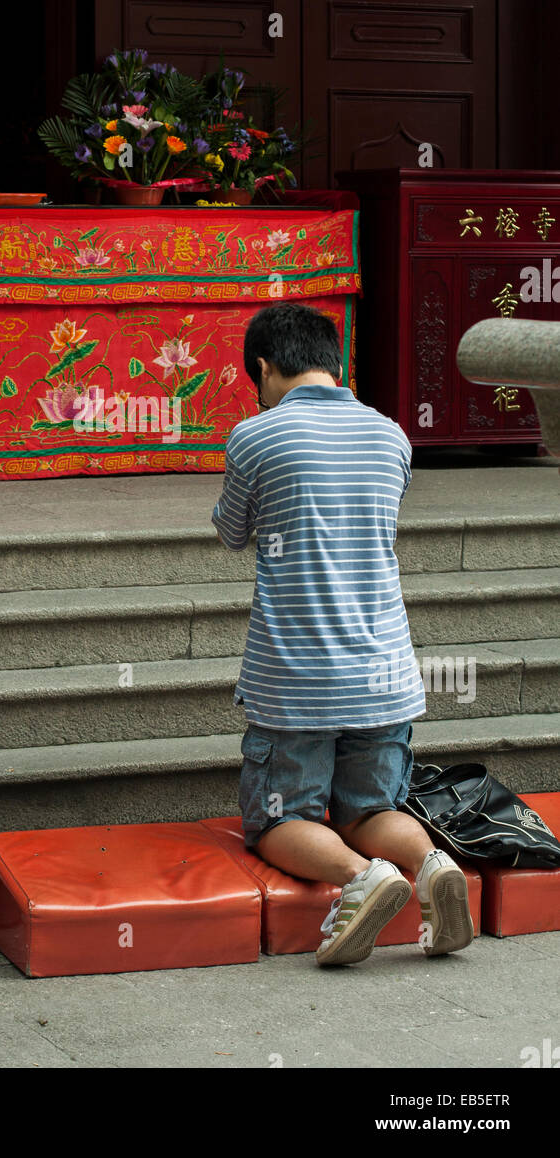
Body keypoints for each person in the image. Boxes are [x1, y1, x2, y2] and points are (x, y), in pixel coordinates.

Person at [212, 301, 474, 966]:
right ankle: (432, 865)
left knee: (279, 820)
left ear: (266, 368)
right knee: (367, 811)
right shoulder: (392, 437)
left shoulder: (254, 436)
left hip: (296, 676)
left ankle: (363, 879)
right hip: (385, 669)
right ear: (335, 364)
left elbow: (232, 531)